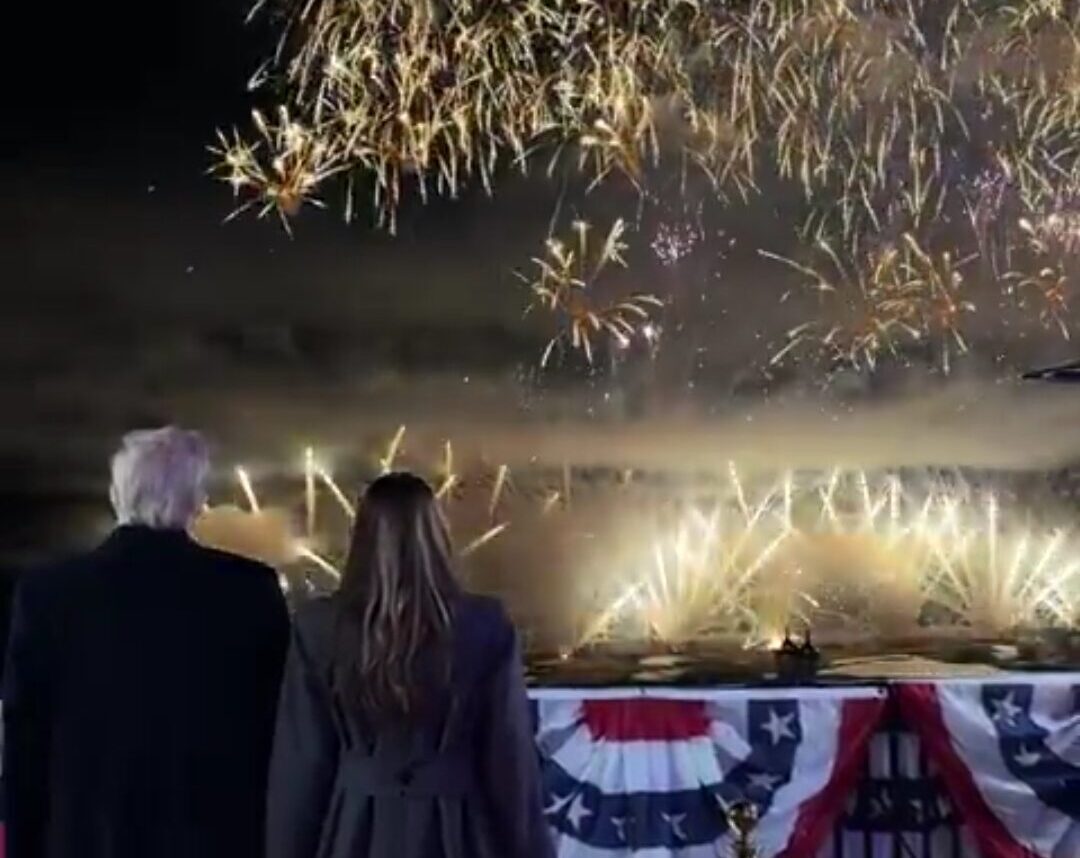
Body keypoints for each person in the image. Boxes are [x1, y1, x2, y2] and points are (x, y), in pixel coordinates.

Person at [3, 427, 289, 858]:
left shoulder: (47, 594)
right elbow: (276, 737)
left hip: (85, 840)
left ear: (116, 495)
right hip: (215, 839)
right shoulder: (251, 592)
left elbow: (24, 744)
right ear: (196, 501)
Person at [267, 472, 554, 858]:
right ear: (437, 534)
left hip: (355, 830)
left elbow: (303, 766)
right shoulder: (483, 624)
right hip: (459, 830)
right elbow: (509, 761)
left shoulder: (318, 627)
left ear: (362, 536)